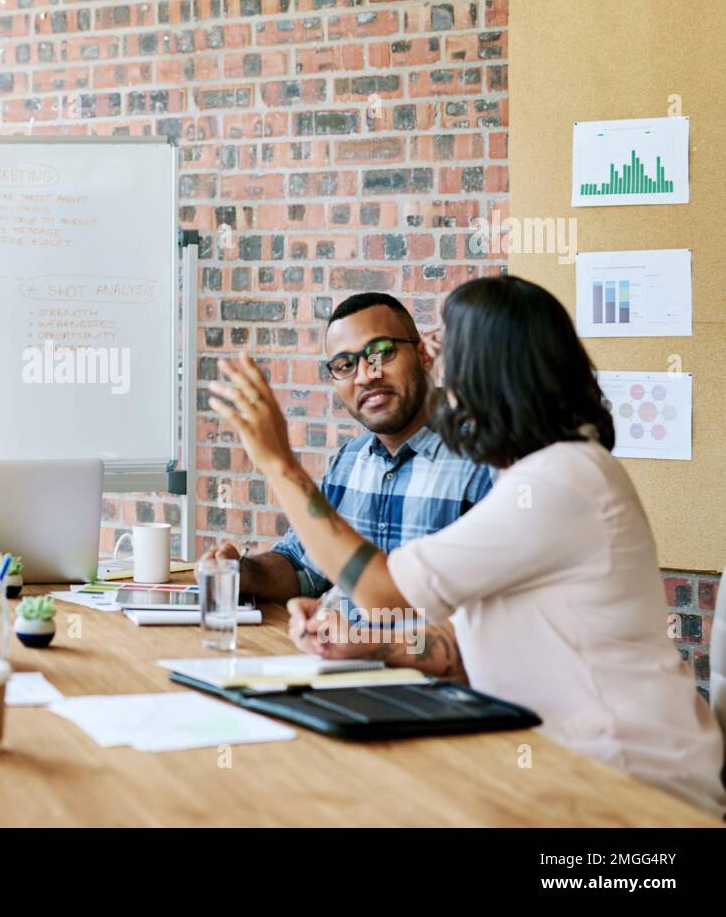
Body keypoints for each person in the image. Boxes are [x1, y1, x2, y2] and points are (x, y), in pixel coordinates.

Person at [209, 274, 726, 815]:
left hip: (632, 792)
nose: (438, 374)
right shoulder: (544, 474)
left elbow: (384, 593)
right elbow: (461, 647)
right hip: (552, 766)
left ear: (491, 375)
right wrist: (365, 645)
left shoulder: (557, 483)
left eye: (448, 357)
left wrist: (280, 464)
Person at [201, 292, 494, 679]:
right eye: (345, 364)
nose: (366, 375)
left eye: (382, 352)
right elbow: (303, 565)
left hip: (436, 689)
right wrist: (243, 573)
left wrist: (279, 463)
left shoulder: (485, 461)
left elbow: (482, 636)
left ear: (424, 354)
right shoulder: (350, 460)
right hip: (342, 672)